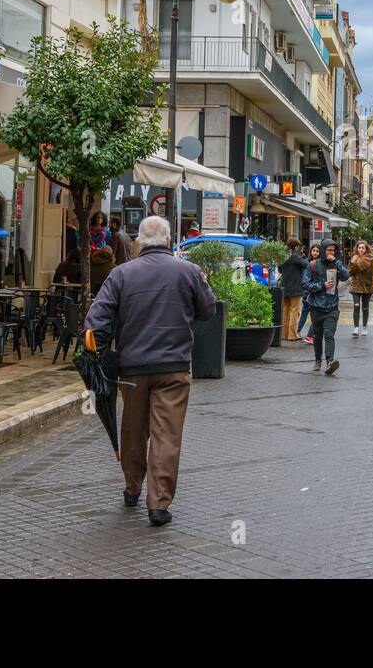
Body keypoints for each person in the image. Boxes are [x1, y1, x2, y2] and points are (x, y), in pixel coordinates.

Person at [83, 216, 216, 526]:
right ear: (169, 241)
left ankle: (132, 487)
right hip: (174, 367)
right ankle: (158, 503)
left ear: (138, 243)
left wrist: (100, 353)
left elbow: (96, 320)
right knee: (166, 435)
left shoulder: (120, 274)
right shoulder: (189, 272)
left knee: (133, 430)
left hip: (131, 368)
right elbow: (208, 310)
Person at [302, 239, 348, 375]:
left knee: (329, 334)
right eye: (329, 250)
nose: (331, 252)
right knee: (317, 336)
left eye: (333, 250)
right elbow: (305, 284)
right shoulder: (312, 265)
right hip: (316, 306)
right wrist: (321, 286)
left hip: (332, 306)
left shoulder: (336, 264)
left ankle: (330, 362)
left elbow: (346, 276)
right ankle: (317, 360)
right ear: (323, 250)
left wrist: (337, 262)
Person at [347, 240, 373, 338]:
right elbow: (349, 272)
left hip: (367, 286)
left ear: (366, 249)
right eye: (359, 248)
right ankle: (356, 328)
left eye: (363, 248)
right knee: (356, 306)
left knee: (365, 307)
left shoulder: (371, 258)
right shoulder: (354, 258)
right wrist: (353, 262)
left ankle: (364, 327)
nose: (361, 250)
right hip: (356, 286)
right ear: (357, 249)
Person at [279, 237, 307, 341]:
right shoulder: (295, 256)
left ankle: (284, 334)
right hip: (295, 287)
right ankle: (292, 335)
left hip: (284, 286)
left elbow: (280, 269)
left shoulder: (283, 255)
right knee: (295, 310)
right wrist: (302, 255)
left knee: (285, 310)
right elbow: (306, 264)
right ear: (296, 246)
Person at [297, 243, 321, 345]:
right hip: (307, 293)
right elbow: (304, 279)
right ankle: (297, 331)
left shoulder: (320, 263)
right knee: (304, 314)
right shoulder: (307, 263)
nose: (315, 253)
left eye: (317, 251)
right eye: (313, 250)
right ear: (311, 252)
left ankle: (311, 334)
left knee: (314, 315)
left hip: (316, 292)